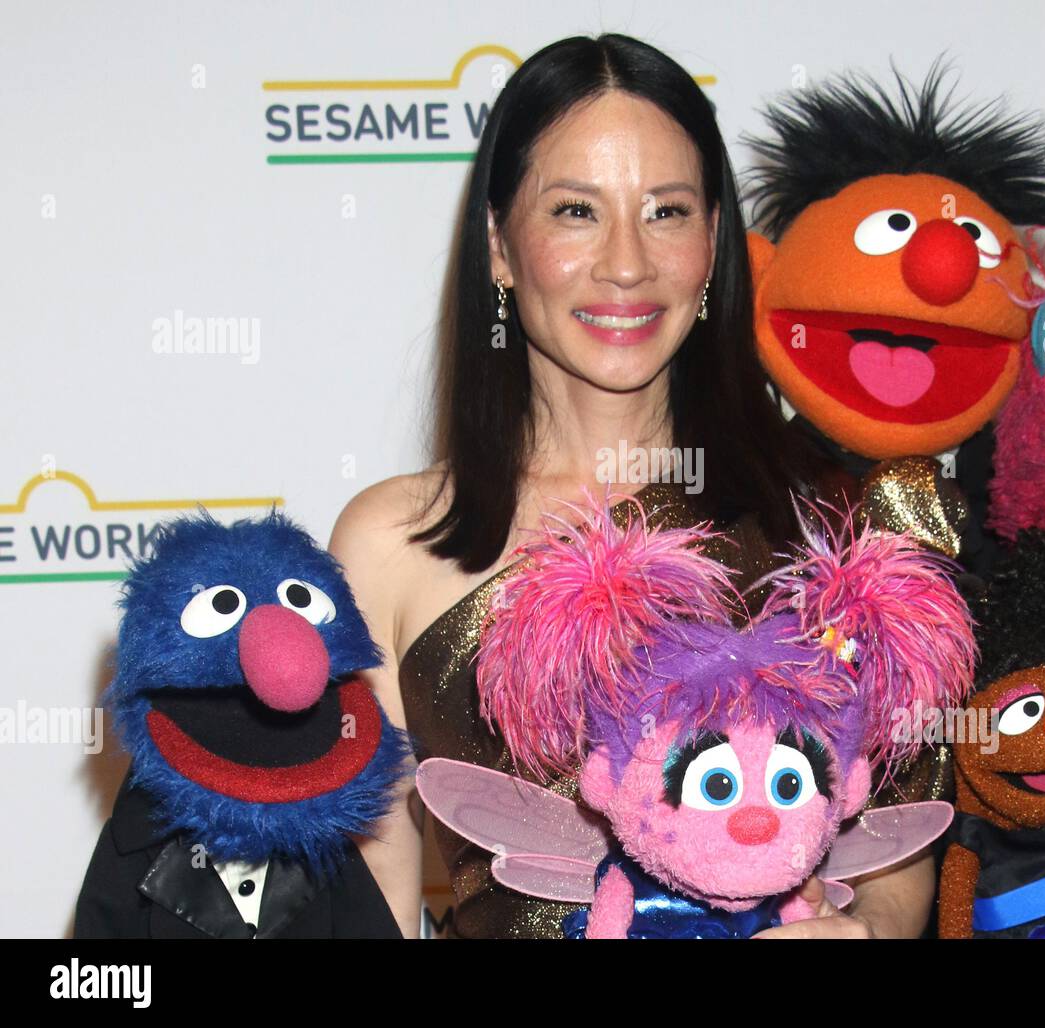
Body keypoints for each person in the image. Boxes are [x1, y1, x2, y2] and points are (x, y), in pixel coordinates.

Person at [328, 33, 944, 939]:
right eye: (576, 211)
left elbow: (893, 856)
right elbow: (375, 889)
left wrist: (859, 934)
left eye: (667, 211)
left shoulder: (837, 524)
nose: (627, 262)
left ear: (714, 242)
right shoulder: (390, 544)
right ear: (500, 246)